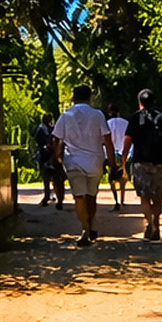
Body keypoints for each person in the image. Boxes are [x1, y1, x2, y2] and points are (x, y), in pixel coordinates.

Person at [52, 85, 115, 246]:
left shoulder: (66, 115)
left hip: (73, 162)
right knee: (91, 196)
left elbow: (56, 139)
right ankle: (90, 226)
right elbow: (107, 139)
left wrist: (56, 159)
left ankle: (85, 229)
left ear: (73, 98)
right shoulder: (97, 115)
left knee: (79, 197)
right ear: (89, 98)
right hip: (95, 162)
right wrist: (112, 164)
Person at [122, 89, 162, 240]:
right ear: (154, 101)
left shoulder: (135, 118)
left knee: (144, 197)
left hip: (140, 162)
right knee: (158, 197)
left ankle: (150, 223)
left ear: (139, 102)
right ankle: (156, 223)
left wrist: (123, 161)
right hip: (160, 162)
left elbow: (127, 142)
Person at [32, 113, 65, 209]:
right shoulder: (41, 130)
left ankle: (52, 196)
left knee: (54, 177)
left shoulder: (50, 129)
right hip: (45, 156)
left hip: (51, 155)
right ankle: (47, 196)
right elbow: (39, 141)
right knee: (46, 177)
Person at [105, 102, 129, 212]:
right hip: (123, 153)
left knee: (112, 178)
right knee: (122, 178)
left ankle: (116, 201)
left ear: (109, 113)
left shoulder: (107, 124)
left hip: (111, 154)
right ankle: (123, 200)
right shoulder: (125, 123)